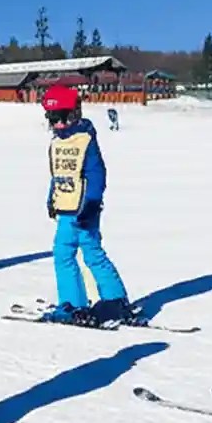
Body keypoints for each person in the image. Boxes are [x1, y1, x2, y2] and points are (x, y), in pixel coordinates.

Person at [40, 85, 133, 326]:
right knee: (62, 254)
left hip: (84, 210)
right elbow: (58, 174)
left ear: (74, 114)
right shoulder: (55, 143)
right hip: (65, 210)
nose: (57, 125)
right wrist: (52, 197)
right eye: (51, 119)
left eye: (60, 118)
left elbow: (97, 174)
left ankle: (115, 300)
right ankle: (73, 303)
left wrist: (92, 202)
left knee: (92, 253)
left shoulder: (85, 140)